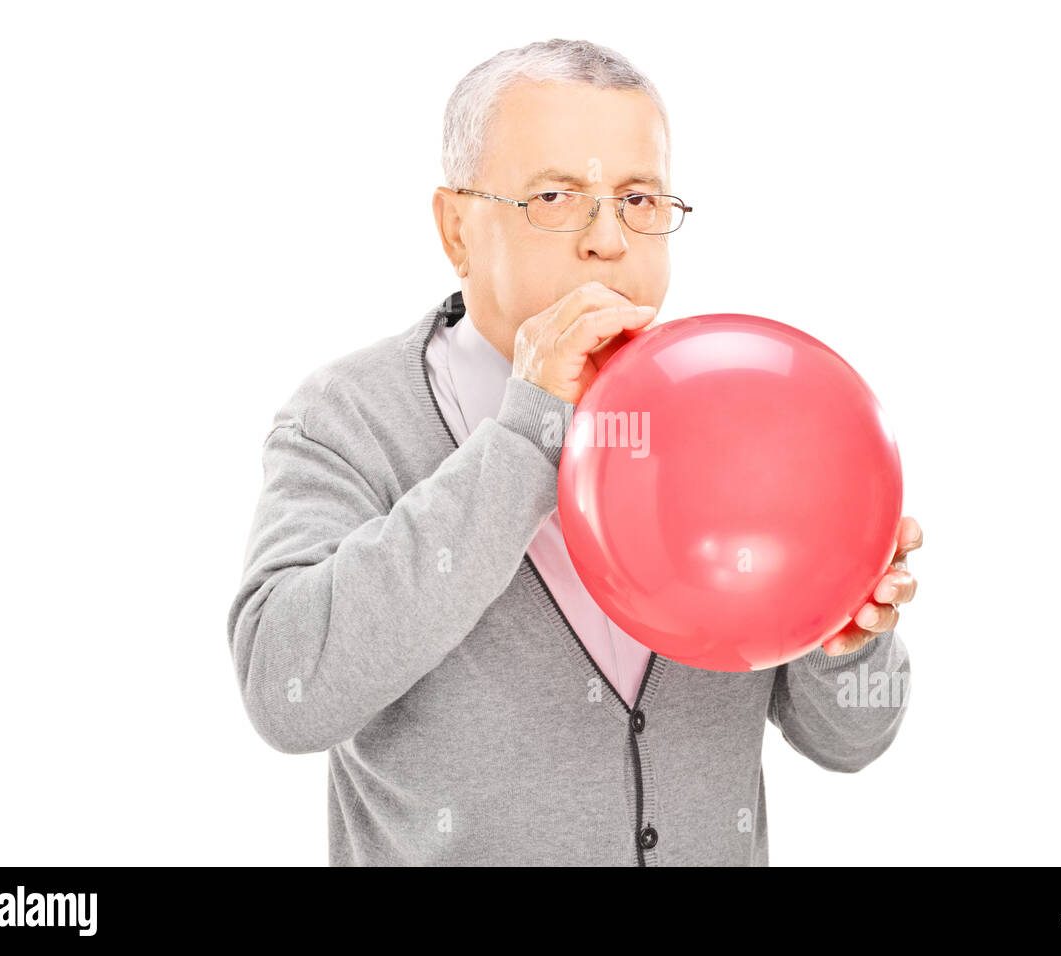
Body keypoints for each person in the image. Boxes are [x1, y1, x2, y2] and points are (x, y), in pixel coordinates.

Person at [226, 37, 922, 866]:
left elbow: (851, 742)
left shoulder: (741, 405)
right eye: (554, 196)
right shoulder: (349, 415)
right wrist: (526, 437)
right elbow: (285, 693)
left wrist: (849, 635)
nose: (608, 241)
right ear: (456, 229)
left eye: (639, 200)